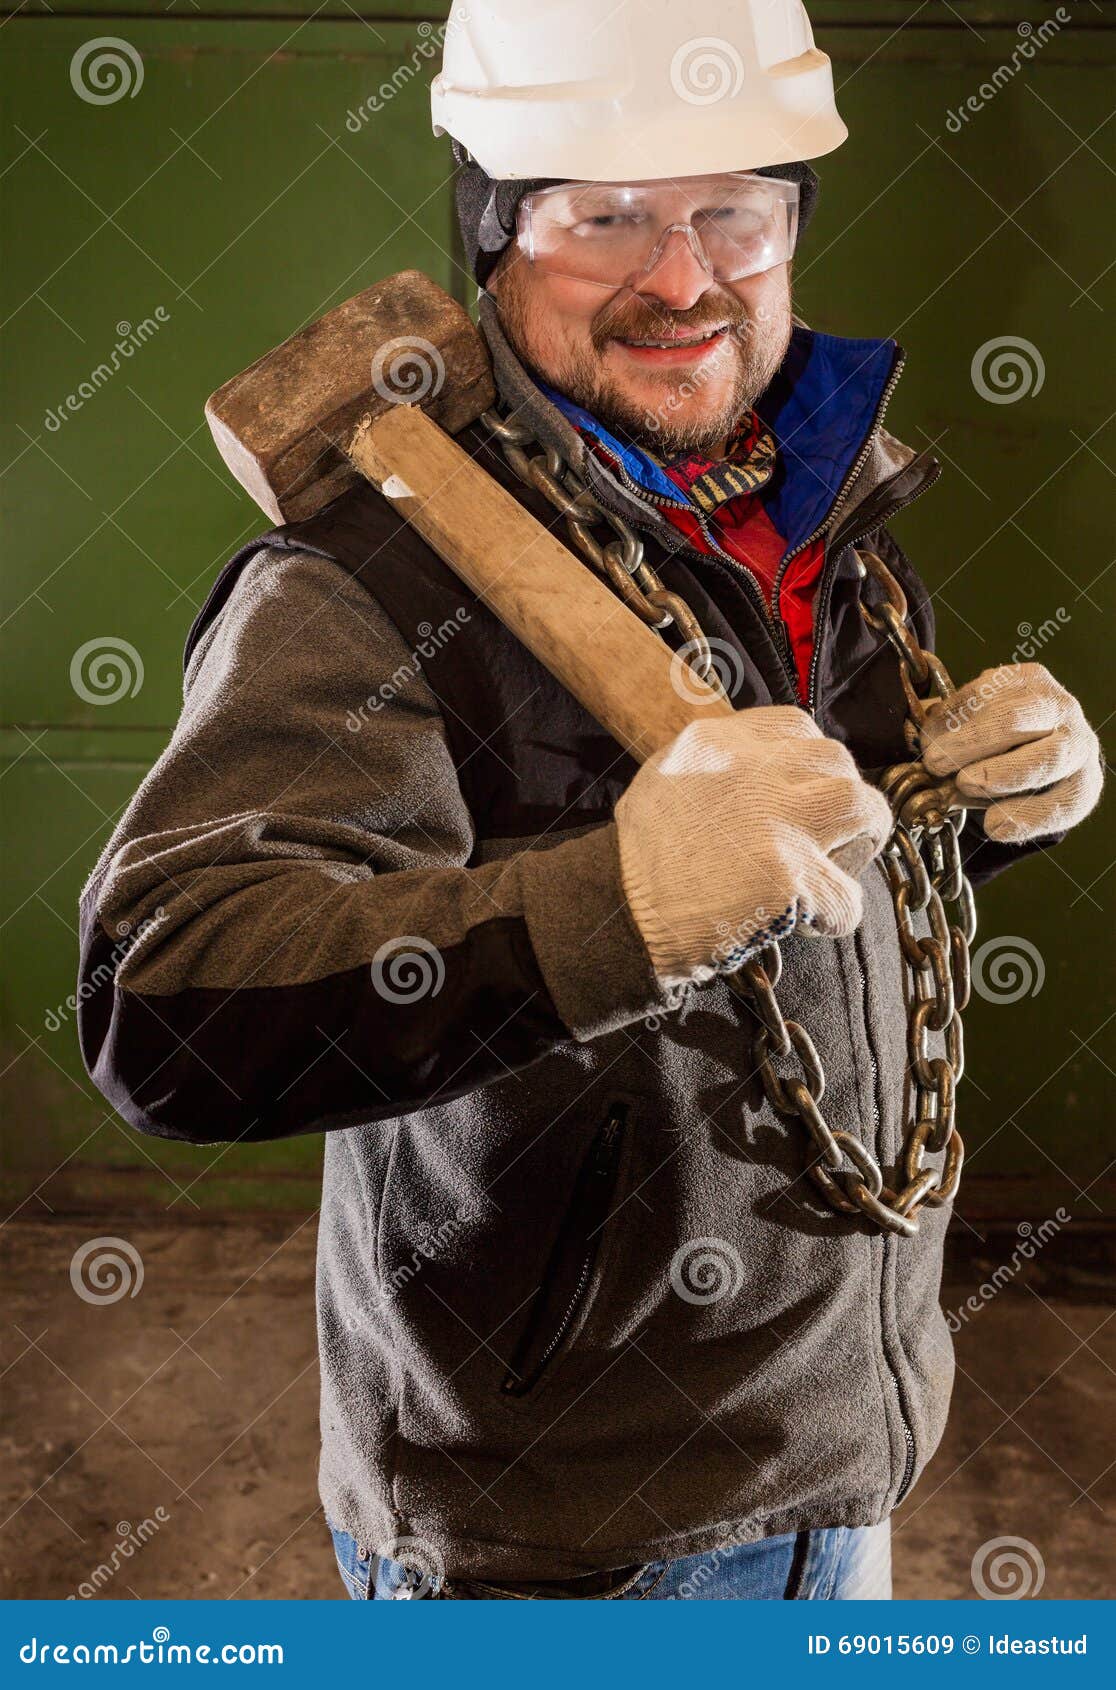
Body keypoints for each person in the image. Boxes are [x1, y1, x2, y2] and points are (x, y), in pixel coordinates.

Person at [77, 0, 1101, 1601]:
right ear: (493, 236)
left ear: (789, 225)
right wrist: (620, 905)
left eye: (730, 210)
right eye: (606, 217)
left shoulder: (810, 502)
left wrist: (978, 800)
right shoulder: (360, 584)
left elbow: (831, 870)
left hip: (853, 1458)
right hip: (566, 1546)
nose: (683, 276)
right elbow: (165, 997)